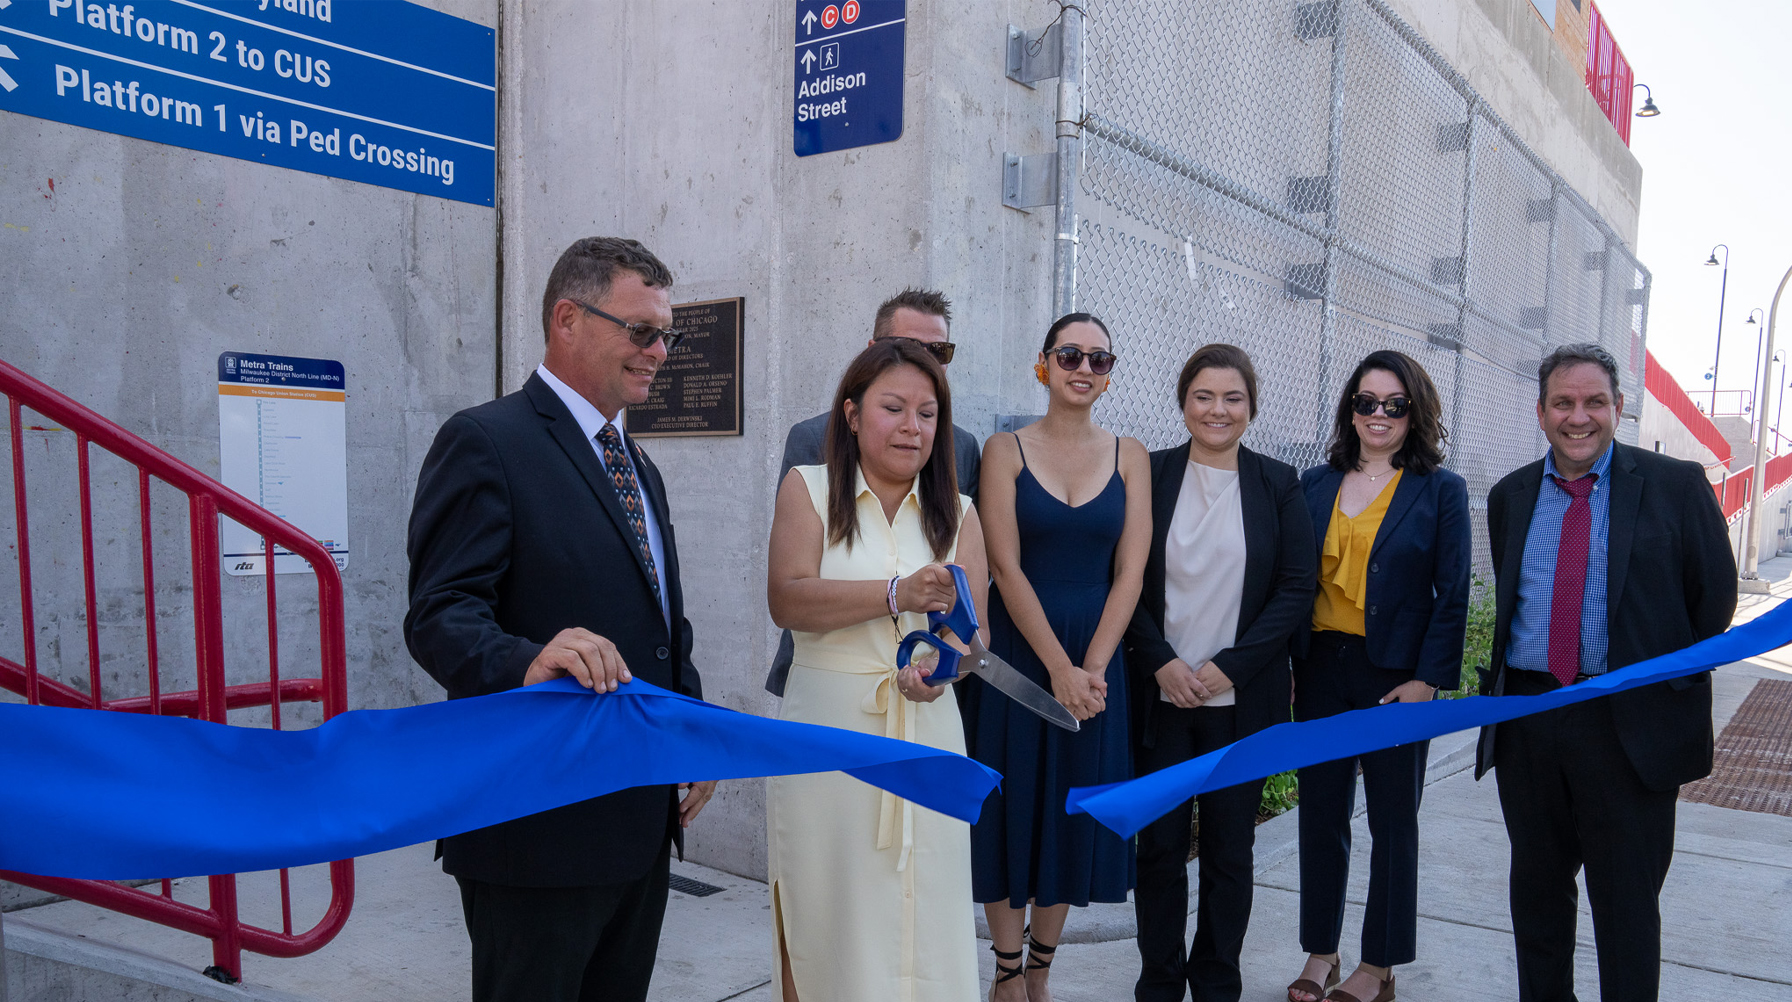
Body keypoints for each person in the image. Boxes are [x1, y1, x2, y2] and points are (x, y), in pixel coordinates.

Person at [404, 237, 717, 1002]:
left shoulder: (638, 464)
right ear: (567, 318)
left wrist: (691, 725)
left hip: (638, 825)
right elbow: (440, 614)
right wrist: (528, 658)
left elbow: (661, 624)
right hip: (534, 830)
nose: (659, 352)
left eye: (667, 335)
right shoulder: (485, 441)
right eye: (641, 331)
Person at [1474, 343, 1735, 1002]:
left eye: (1594, 402)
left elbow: (1713, 604)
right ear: (1541, 412)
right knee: (1536, 903)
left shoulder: (1675, 486)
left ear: (1619, 408)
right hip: (1530, 725)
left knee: (1625, 913)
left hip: (1632, 729)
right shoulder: (1510, 497)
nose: (1578, 417)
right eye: (1563, 402)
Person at [764, 337, 987, 1002]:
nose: (913, 426)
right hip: (829, 735)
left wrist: (943, 672)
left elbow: (970, 637)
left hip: (928, 732)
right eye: (894, 408)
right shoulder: (806, 489)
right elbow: (787, 600)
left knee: (928, 908)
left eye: (928, 413)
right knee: (828, 907)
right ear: (853, 413)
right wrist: (897, 594)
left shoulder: (961, 514)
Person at [1124, 344, 1317, 1002]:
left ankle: (1216, 982)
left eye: (1232, 397)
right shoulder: (1147, 475)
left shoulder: (1277, 482)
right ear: (1183, 403)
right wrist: (1163, 664)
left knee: (1231, 854)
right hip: (1163, 698)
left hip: (1241, 702)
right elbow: (1123, 584)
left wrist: (1227, 668)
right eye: (1204, 396)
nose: (1217, 409)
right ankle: (1159, 980)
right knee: (1159, 850)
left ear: (1251, 408)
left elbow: (1295, 588)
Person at [970, 313, 1150, 1002]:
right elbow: (1005, 569)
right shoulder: (1004, 450)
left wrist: (1094, 667)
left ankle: (1041, 972)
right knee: (1012, 805)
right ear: (1043, 364)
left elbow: (1130, 573)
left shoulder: (1129, 454)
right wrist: (1058, 669)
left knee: (1070, 812)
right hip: (1022, 655)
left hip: (1098, 663)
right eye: (1070, 355)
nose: (1084, 368)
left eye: (1099, 359)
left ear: (1109, 374)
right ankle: (1006, 973)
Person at [1286, 350, 1470, 1002]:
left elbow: (1453, 594)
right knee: (1321, 815)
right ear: (1351, 409)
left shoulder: (1440, 489)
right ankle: (1321, 953)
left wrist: (1428, 681)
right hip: (1321, 666)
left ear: (1413, 411)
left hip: (1396, 674)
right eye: (1367, 402)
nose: (1379, 415)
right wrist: (1286, 665)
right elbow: (1289, 583)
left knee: (1393, 821)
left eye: (1394, 404)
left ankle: (1380, 964)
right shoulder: (1314, 482)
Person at [766, 288, 981, 697]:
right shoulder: (810, 453)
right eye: (908, 347)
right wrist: (898, 593)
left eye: (939, 350)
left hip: (924, 704)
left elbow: (971, 617)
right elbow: (790, 586)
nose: (924, 360)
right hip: (828, 691)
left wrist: (941, 670)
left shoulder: (963, 454)